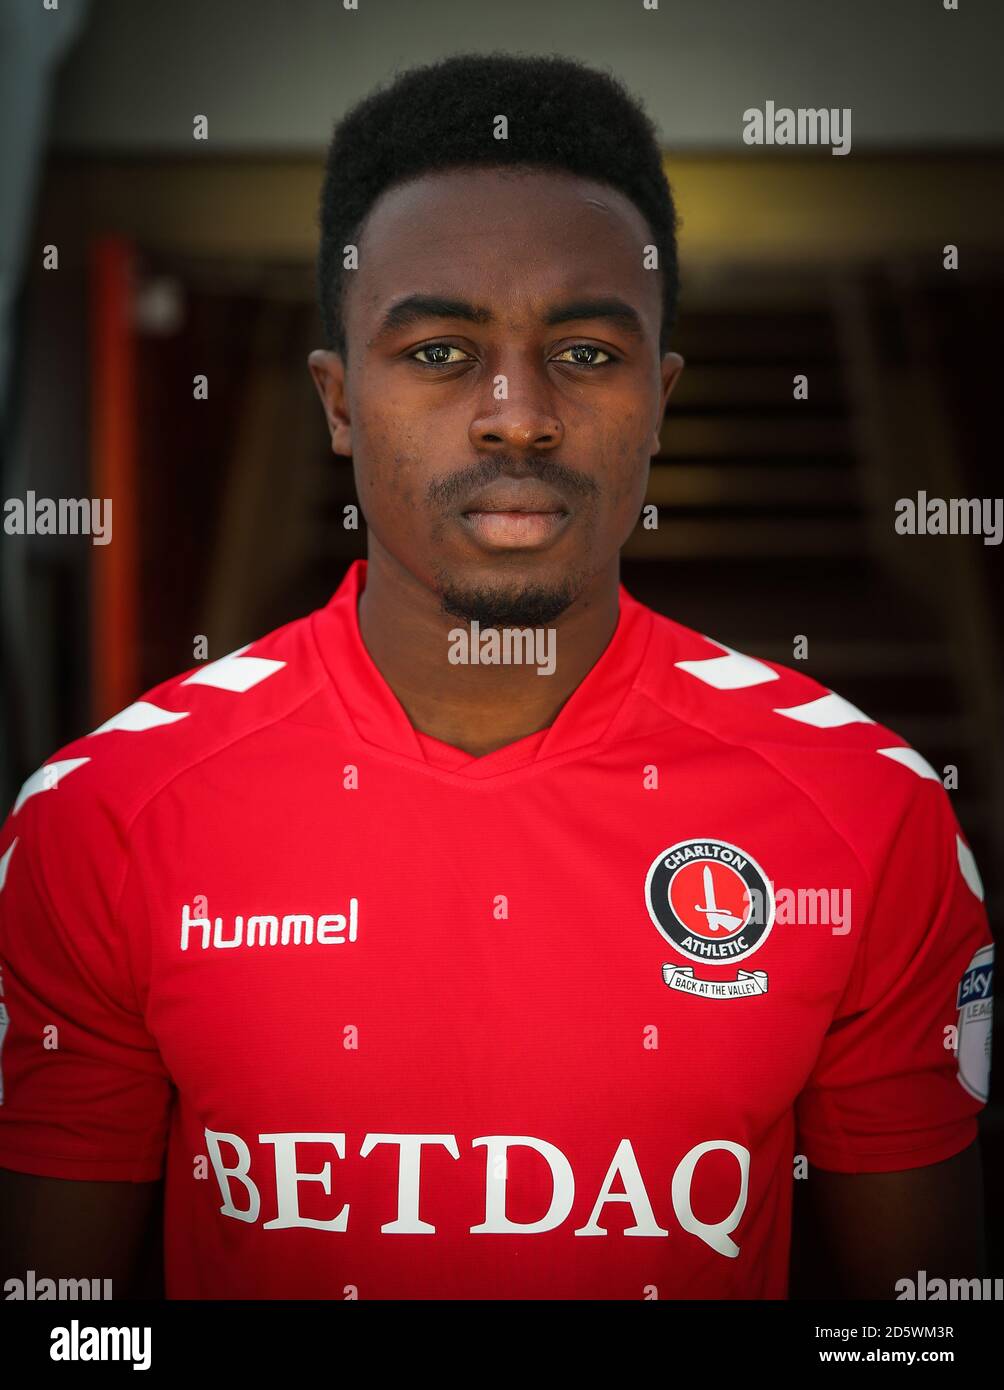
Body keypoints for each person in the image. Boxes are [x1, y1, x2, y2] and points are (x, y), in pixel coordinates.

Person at [0, 53, 992, 1300]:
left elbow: (922, 1328)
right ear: (338, 400)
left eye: (582, 353)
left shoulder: (865, 812)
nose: (515, 414)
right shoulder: (104, 815)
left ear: (659, 400)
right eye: (436, 351)